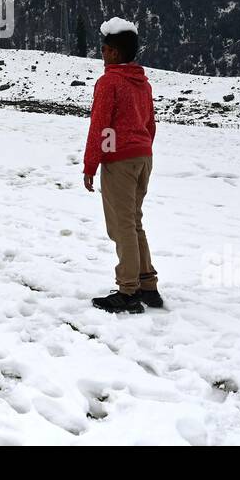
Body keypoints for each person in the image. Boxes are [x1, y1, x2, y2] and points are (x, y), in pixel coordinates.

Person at [82, 18, 160, 313]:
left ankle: (128, 291)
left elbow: (99, 127)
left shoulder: (109, 82)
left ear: (114, 52)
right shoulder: (142, 82)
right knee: (134, 222)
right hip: (143, 156)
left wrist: (91, 164)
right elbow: (150, 123)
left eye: (104, 48)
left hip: (120, 159)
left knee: (122, 226)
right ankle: (147, 284)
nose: (101, 53)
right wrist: (143, 148)